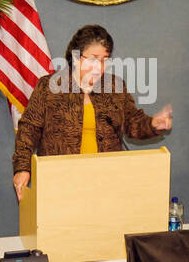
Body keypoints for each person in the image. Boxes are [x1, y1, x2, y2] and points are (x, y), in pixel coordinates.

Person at [12, 25, 172, 201]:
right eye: (94, 59)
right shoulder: (49, 87)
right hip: (60, 183)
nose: (99, 67)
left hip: (106, 182)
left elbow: (132, 123)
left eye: (105, 59)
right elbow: (28, 130)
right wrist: (22, 168)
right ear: (75, 57)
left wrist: (152, 124)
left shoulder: (114, 87)